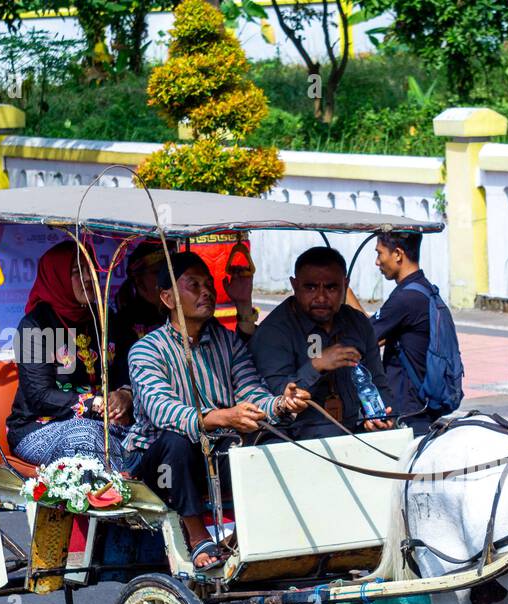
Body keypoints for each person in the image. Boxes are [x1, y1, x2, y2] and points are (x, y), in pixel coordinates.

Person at [124, 251, 310, 571]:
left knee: (267, 441)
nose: (206, 291)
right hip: (159, 463)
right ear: (168, 297)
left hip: (214, 453)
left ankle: (241, 536)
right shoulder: (146, 350)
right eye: (193, 285)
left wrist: (280, 403)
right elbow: (161, 409)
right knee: (176, 441)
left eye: (208, 284)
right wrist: (222, 416)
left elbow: (251, 391)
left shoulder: (228, 343)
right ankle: (197, 537)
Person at [6, 240, 132, 470]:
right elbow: (39, 395)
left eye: (91, 269)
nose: (87, 277)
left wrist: (125, 394)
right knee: (85, 436)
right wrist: (94, 403)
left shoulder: (105, 318)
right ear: (57, 279)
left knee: (161, 432)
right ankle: (114, 492)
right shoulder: (35, 326)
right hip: (40, 427)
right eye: (77, 271)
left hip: (103, 422)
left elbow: (127, 366)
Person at [250, 245, 395, 441]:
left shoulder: (358, 323)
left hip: (355, 436)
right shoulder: (274, 331)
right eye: (310, 287)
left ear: (346, 285)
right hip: (296, 443)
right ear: (294, 285)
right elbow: (276, 400)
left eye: (331, 287)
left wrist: (380, 418)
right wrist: (317, 365)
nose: (321, 297)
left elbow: (378, 383)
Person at [369, 231, 447, 434]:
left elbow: (364, 335)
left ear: (397, 254)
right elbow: (378, 332)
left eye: (380, 253)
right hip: (423, 404)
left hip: (408, 410)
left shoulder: (405, 298)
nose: (377, 262)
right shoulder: (424, 289)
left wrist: (344, 290)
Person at [113, 240, 167, 352]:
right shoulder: (125, 321)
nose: (164, 277)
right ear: (139, 280)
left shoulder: (175, 311)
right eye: (156, 272)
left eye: (166, 271)